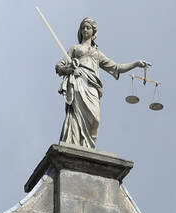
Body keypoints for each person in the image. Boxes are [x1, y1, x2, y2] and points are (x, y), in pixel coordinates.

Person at [55, 18, 149, 150]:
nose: (85, 30)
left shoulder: (97, 53)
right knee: (76, 115)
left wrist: (136, 64)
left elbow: (116, 67)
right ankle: (75, 144)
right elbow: (59, 67)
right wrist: (70, 68)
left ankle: (87, 146)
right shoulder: (74, 49)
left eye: (88, 27)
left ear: (94, 32)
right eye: (83, 28)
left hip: (92, 86)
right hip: (78, 81)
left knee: (95, 119)